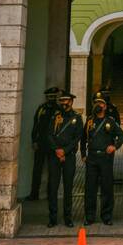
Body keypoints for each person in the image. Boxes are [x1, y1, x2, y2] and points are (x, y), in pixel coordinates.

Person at [80, 96, 123, 226]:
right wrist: (83, 154)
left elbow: (121, 135)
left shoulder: (110, 121)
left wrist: (115, 146)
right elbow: (83, 138)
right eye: (96, 103)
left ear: (105, 106)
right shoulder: (89, 121)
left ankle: (106, 216)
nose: (98, 105)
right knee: (90, 189)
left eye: (100, 103)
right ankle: (89, 216)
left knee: (107, 188)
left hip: (105, 158)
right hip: (92, 158)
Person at [46, 91, 83, 228]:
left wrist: (65, 151)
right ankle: (52, 218)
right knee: (53, 188)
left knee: (68, 188)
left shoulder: (77, 118)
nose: (63, 103)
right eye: (61, 101)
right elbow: (49, 134)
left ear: (71, 102)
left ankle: (68, 218)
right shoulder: (55, 116)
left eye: (66, 101)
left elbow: (77, 138)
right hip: (55, 156)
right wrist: (57, 150)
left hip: (69, 157)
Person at [27, 86, 60, 200]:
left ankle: (51, 195)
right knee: (37, 169)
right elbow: (35, 125)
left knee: (53, 171)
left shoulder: (59, 110)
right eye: (49, 97)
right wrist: (34, 140)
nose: (51, 99)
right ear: (46, 98)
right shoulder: (41, 109)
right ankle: (34, 194)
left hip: (53, 145)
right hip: (41, 143)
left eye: (53, 97)